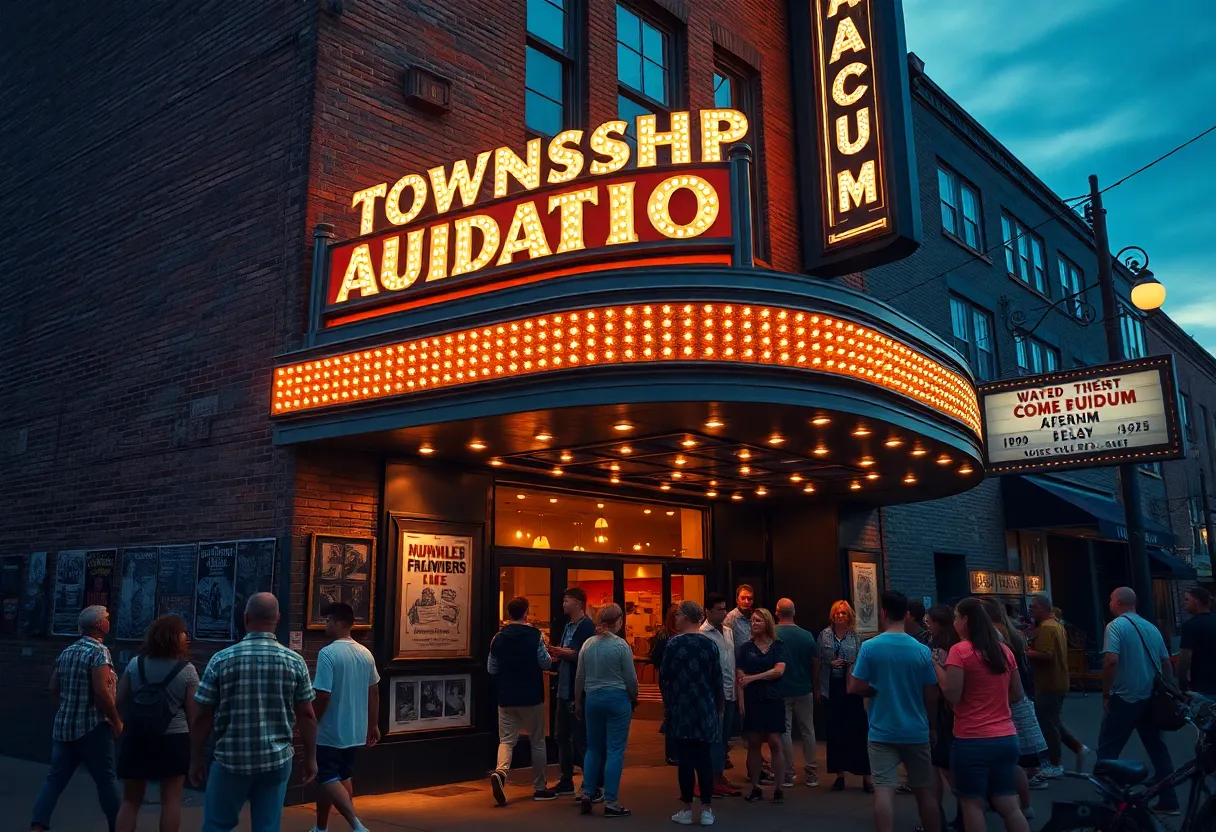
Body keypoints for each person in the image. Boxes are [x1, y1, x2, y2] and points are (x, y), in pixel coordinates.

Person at [190, 593, 318, 832]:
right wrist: (310, 757)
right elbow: (307, 715)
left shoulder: (221, 660)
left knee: (217, 824)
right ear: (277, 618)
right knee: (267, 826)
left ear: (246, 617)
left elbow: (202, 715)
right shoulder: (295, 661)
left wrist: (196, 757)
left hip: (230, 758)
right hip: (276, 759)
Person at [848, 591, 941, 832]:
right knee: (924, 791)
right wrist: (932, 726)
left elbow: (855, 686)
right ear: (906, 614)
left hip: (882, 730)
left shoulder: (870, 647)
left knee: (884, 791)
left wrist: (874, 691)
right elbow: (931, 694)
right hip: (916, 729)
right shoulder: (921, 650)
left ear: (884, 613)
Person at [30, 605, 123, 832]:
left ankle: (37, 826)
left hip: (64, 728)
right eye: (107, 618)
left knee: (54, 780)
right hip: (93, 726)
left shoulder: (67, 652)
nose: (109, 621)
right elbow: (101, 691)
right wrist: (116, 720)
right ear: (99, 625)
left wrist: (64, 709)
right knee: (106, 780)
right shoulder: (99, 652)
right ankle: (118, 826)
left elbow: (53, 687)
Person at [938, 598, 1028, 832]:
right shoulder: (1004, 651)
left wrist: (937, 667)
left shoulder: (960, 651)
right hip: (1006, 736)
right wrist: (994, 703)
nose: (955, 622)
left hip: (973, 739)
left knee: (972, 804)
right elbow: (1018, 693)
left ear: (965, 620)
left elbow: (952, 695)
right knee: (1008, 803)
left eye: (956, 617)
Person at [1098, 587, 1180, 815]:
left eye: (1111, 599)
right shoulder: (1151, 628)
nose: (1110, 603)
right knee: (1157, 749)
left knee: (1108, 749)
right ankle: (1169, 799)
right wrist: (1166, 688)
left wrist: (1106, 693)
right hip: (1149, 697)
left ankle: (1108, 800)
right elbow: (1166, 662)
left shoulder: (1115, 627)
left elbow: (1111, 661)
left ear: (1118, 603)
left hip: (1124, 696)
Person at [115, 615, 199, 832]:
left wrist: (118, 724)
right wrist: (197, 750)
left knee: (130, 801)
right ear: (177, 638)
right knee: (171, 800)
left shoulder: (135, 664)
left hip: (137, 737)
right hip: (173, 739)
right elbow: (194, 715)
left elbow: (118, 701)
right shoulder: (187, 670)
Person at [312, 602, 380, 832]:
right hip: (355, 729)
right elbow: (374, 690)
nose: (325, 625)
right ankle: (321, 827)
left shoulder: (328, 654)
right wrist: (373, 724)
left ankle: (356, 825)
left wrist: (312, 721)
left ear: (339, 623)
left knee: (326, 774)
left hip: (331, 729)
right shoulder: (365, 653)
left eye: (328, 620)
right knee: (342, 775)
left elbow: (322, 695)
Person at [487, 596, 557, 805]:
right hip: (532, 696)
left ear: (509, 614)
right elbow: (545, 663)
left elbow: (491, 668)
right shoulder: (535, 636)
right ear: (526, 612)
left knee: (506, 741)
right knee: (537, 742)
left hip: (506, 697)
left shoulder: (498, 638)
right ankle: (539, 787)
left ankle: (500, 773)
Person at [980, 598, 1045, 816]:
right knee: (1015, 759)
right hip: (1018, 695)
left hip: (1002, 700)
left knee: (999, 759)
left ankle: (1002, 802)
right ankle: (1025, 805)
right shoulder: (1014, 633)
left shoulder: (992, 635)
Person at [661, 601, 723, 827]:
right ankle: (706, 809)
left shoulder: (674, 645)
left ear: (685, 617)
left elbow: (664, 677)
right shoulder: (710, 645)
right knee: (704, 759)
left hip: (681, 708)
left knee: (685, 760)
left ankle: (686, 807)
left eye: (678, 614)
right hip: (705, 707)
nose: (675, 618)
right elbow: (717, 679)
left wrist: (669, 704)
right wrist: (718, 707)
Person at [575, 603, 638, 818]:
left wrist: (578, 701)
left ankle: (587, 792)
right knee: (615, 750)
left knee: (593, 748)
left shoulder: (588, 645)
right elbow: (631, 678)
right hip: (617, 698)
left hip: (592, 698)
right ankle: (611, 801)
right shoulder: (621, 646)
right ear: (618, 622)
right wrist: (634, 697)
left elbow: (579, 677)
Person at [1026, 594, 1089, 776]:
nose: (1030, 609)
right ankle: (1077, 747)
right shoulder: (1057, 625)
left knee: (1047, 723)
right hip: (1059, 680)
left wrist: (1026, 652)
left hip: (1048, 682)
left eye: (1034, 606)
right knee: (1052, 720)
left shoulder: (1046, 628)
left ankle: (1055, 763)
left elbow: (1046, 654)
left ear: (1044, 609)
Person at [814, 600, 872, 792]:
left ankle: (866, 776)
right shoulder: (825, 635)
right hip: (832, 685)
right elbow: (819, 660)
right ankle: (839, 774)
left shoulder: (856, 637)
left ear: (849, 617)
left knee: (858, 729)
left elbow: (862, 661)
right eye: (837, 613)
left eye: (844, 613)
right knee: (835, 730)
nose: (840, 616)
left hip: (851, 685)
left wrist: (849, 665)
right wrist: (828, 668)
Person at [548, 587, 596, 798]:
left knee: (580, 738)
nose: (563, 604)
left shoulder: (586, 626)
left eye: (567, 600)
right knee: (561, 735)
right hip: (563, 688)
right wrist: (557, 654)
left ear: (578, 602)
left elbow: (579, 654)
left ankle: (590, 783)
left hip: (577, 691)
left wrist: (557, 651)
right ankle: (566, 780)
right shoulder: (568, 626)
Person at [738, 608, 787, 803]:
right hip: (752, 699)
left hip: (773, 698)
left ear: (767, 623)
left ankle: (779, 788)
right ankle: (755, 786)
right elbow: (740, 677)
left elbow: (779, 671)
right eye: (752, 621)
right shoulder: (745, 648)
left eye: (758, 620)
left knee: (775, 741)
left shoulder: (778, 646)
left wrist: (754, 677)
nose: (754, 624)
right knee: (754, 743)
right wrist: (741, 700)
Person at [699, 592, 741, 797]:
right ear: (708, 611)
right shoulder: (702, 634)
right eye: (719, 609)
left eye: (725, 608)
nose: (724, 612)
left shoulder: (728, 632)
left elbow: (730, 661)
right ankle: (711, 780)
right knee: (713, 739)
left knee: (724, 739)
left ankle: (719, 776)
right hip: (714, 695)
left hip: (730, 691)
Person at [925, 604, 962, 832]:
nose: (927, 625)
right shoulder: (957, 643)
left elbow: (939, 684)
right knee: (946, 763)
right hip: (954, 710)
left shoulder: (940, 646)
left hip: (944, 710)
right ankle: (965, 809)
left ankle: (956, 813)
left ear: (940, 622)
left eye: (929, 621)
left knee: (941, 763)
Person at [774, 598, 818, 788]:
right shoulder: (806, 636)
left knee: (785, 731)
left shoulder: (773, 633)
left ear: (777, 612)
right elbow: (815, 663)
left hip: (781, 688)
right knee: (808, 730)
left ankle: (788, 773)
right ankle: (811, 773)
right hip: (803, 688)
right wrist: (814, 686)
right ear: (794, 612)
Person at [651, 603, 681, 766]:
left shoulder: (676, 634)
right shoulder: (665, 635)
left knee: (675, 714)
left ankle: (675, 751)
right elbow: (657, 658)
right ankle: (672, 752)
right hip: (669, 679)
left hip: (674, 678)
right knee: (671, 714)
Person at [1179, 586, 1216, 695]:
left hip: (1203, 686)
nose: (1184, 603)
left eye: (1187, 600)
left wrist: (1182, 684)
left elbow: (1184, 659)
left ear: (1196, 601)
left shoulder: (1190, 626)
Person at [724, 584, 756, 658]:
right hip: (738, 660)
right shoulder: (730, 618)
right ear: (737, 600)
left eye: (749, 598)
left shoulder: (756, 616)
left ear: (752, 601)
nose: (746, 601)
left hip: (755, 659)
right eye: (743, 598)